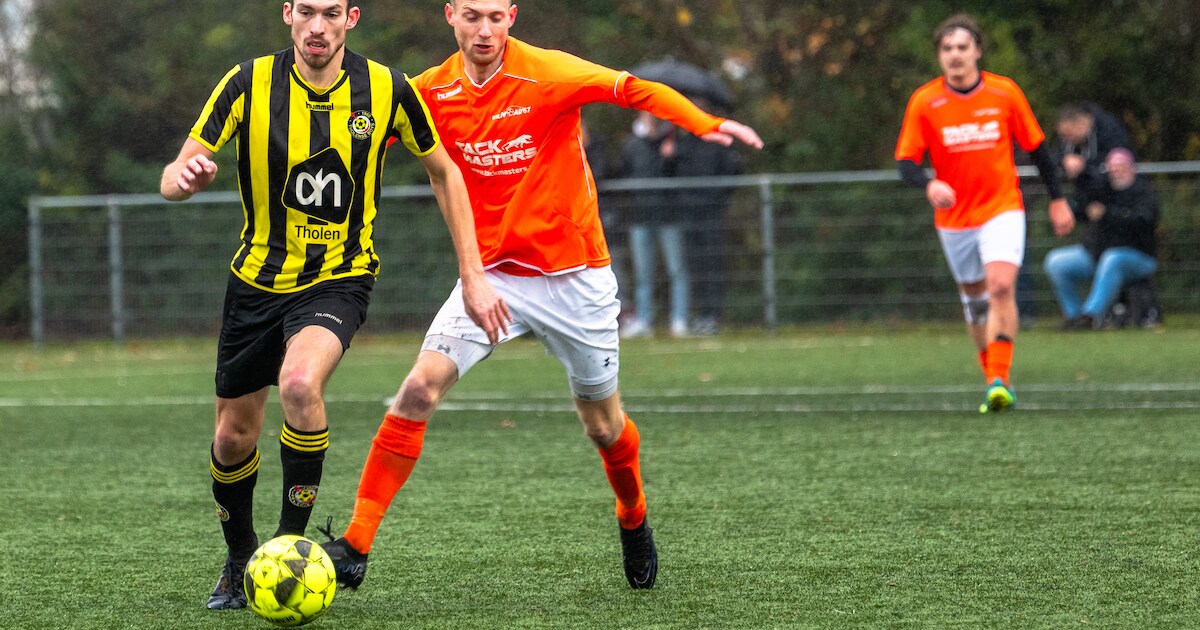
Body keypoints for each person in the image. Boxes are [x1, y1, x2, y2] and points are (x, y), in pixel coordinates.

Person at [317, 0, 763, 591]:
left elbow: (632, 89)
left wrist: (703, 124)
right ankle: (355, 544)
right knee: (417, 390)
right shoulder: (428, 91)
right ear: (450, 16)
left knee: (603, 426)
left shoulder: (547, 73)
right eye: (472, 16)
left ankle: (633, 515)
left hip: (574, 276)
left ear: (512, 17)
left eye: (495, 17)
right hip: (490, 276)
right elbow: (359, 138)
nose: (484, 30)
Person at [159, 0, 507, 610]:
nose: (317, 27)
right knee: (233, 438)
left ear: (352, 18)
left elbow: (445, 172)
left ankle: (287, 552)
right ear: (287, 15)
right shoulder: (246, 83)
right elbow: (173, 175)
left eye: (330, 14)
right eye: (307, 13)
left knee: (300, 384)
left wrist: (472, 272)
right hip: (256, 283)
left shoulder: (388, 89)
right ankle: (240, 559)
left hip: (339, 279)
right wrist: (185, 180)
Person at [894, 14, 1074, 414]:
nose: (955, 55)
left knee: (1001, 286)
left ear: (977, 51)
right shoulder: (925, 101)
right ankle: (991, 375)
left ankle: (999, 380)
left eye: (962, 47)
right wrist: (928, 185)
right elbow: (906, 162)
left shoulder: (1003, 92)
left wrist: (1058, 199)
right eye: (947, 48)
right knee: (975, 304)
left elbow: (1038, 149)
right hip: (955, 219)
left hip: (1002, 207)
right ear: (939, 56)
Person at [1044, 148, 1159, 330]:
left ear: (1131, 168)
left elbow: (1142, 221)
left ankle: (1090, 316)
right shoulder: (1102, 188)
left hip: (1138, 257)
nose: (1116, 171)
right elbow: (1082, 206)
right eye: (1112, 167)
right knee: (1056, 262)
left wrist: (1107, 214)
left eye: (1121, 167)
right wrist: (1081, 174)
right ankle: (1073, 316)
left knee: (1112, 258)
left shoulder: (1143, 192)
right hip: (1098, 254)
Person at [618, 111, 691, 338]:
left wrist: (670, 158)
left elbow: (680, 176)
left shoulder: (672, 142)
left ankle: (679, 319)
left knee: (676, 270)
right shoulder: (632, 145)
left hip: (669, 217)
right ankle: (644, 320)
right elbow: (625, 174)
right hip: (640, 217)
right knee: (643, 273)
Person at [1055, 102, 1133, 211]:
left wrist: (1085, 165)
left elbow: (1116, 158)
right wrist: (1064, 160)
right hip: (1085, 197)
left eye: (1069, 134)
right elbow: (1054, 154)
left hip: (1112, 197)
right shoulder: (1072, 140)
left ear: (1081, 124)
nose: (1067, 139)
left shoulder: (1109, 131)